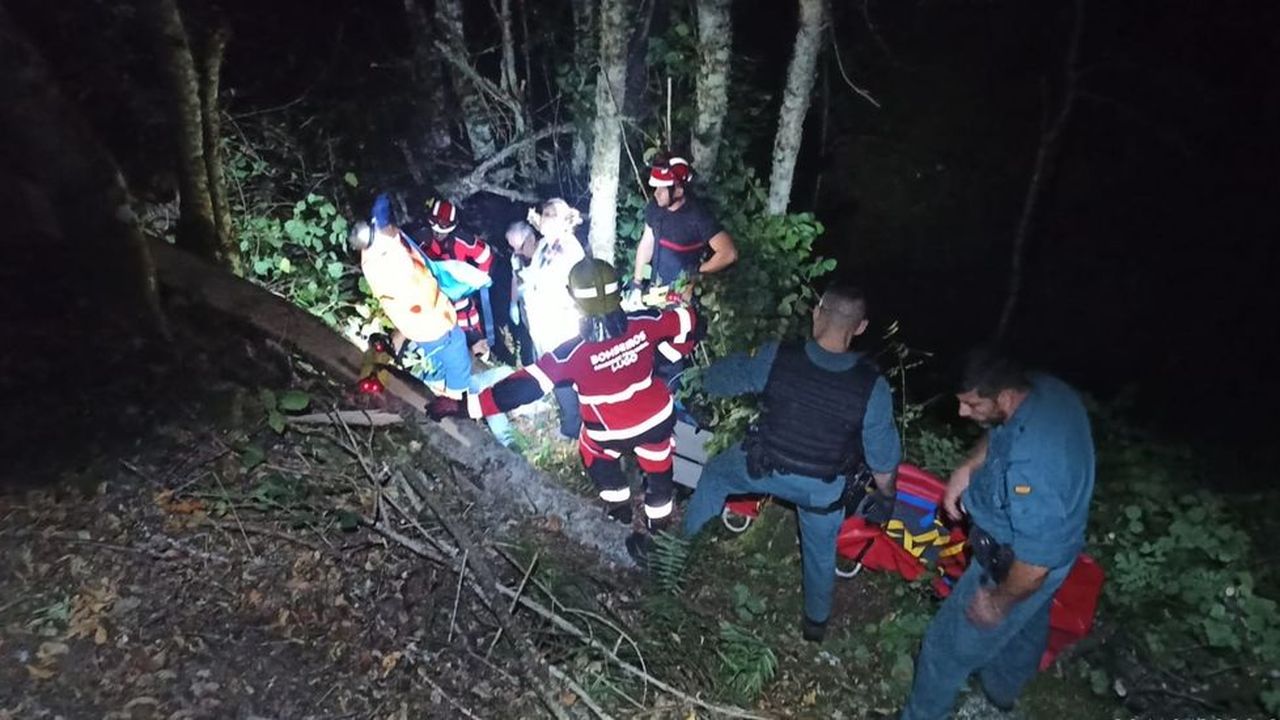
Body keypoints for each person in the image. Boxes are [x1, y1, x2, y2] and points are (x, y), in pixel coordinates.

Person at [427, 258, 698, 561]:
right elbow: (689, 321)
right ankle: (659, 532)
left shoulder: (570, 354)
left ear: (573, 297)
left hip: (607, 432)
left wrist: (466, 406)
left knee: (594, 453)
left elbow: (522, 388)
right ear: (617, 292)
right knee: (659, 468)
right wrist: (667, 353)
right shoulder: (648, 321)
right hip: (657, 419)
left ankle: (619, 514)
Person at [682, 285, 901, 642]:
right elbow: (883, 461)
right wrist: (888, 497)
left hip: (762, 467)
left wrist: (701, 372)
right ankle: (816, 623)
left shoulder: (778, 356)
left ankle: (678, 555)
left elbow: (719, 380)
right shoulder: (872, 387)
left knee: (718, 475)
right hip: (822, 489)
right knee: (820, 548)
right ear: (859, 327)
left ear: (817, 312)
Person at [900, 347, 1095, 720]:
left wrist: (997, 601)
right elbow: (999, 432)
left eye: (971, 405)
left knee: (945, 650)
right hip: (1042, 550)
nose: (962, 413)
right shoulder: (1039, 389)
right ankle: (1002, 692)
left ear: (1003, 396)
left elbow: (1034, 566)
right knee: (1029, 621)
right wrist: (969, 467)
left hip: (1017, 561)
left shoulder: (1037, 467)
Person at [350, 194, 470, 400]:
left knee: (440, 366)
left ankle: (440, 391)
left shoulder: (370, 259)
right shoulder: (392, 257)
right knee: (458, 372)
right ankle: (452, 405)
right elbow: (398, 251)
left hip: (416, 328)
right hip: (438, 328)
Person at [629, 154, 737, 307]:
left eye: (662, 189)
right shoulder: (655, 207)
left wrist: (698, 272)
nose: (656, 193)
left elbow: (728, 253)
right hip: (656, 291)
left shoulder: (698, 216)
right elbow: (647, 243)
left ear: (678, 191)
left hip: (682, 298)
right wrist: (637, 284)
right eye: (656, 188)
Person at [520, 198, 588, 439]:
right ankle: (573, 420)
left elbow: (576, 288)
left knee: (565, 376)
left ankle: (574, 427)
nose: (546, 218)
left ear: (564, 220)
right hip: (543, 325)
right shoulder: (543, 245)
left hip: (562, 324)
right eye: (545, 213)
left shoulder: (571, 248)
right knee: (555, 372)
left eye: (552, 214)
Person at [421, 198, 495, 357]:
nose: (437, 232)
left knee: (467, 315)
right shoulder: (423, 237)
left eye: (443, 228)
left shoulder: (462, 239)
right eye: (434, 225)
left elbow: (485, 255)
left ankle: (478, 349)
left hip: (459, 290)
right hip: (434, 291)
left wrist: (476, 281)